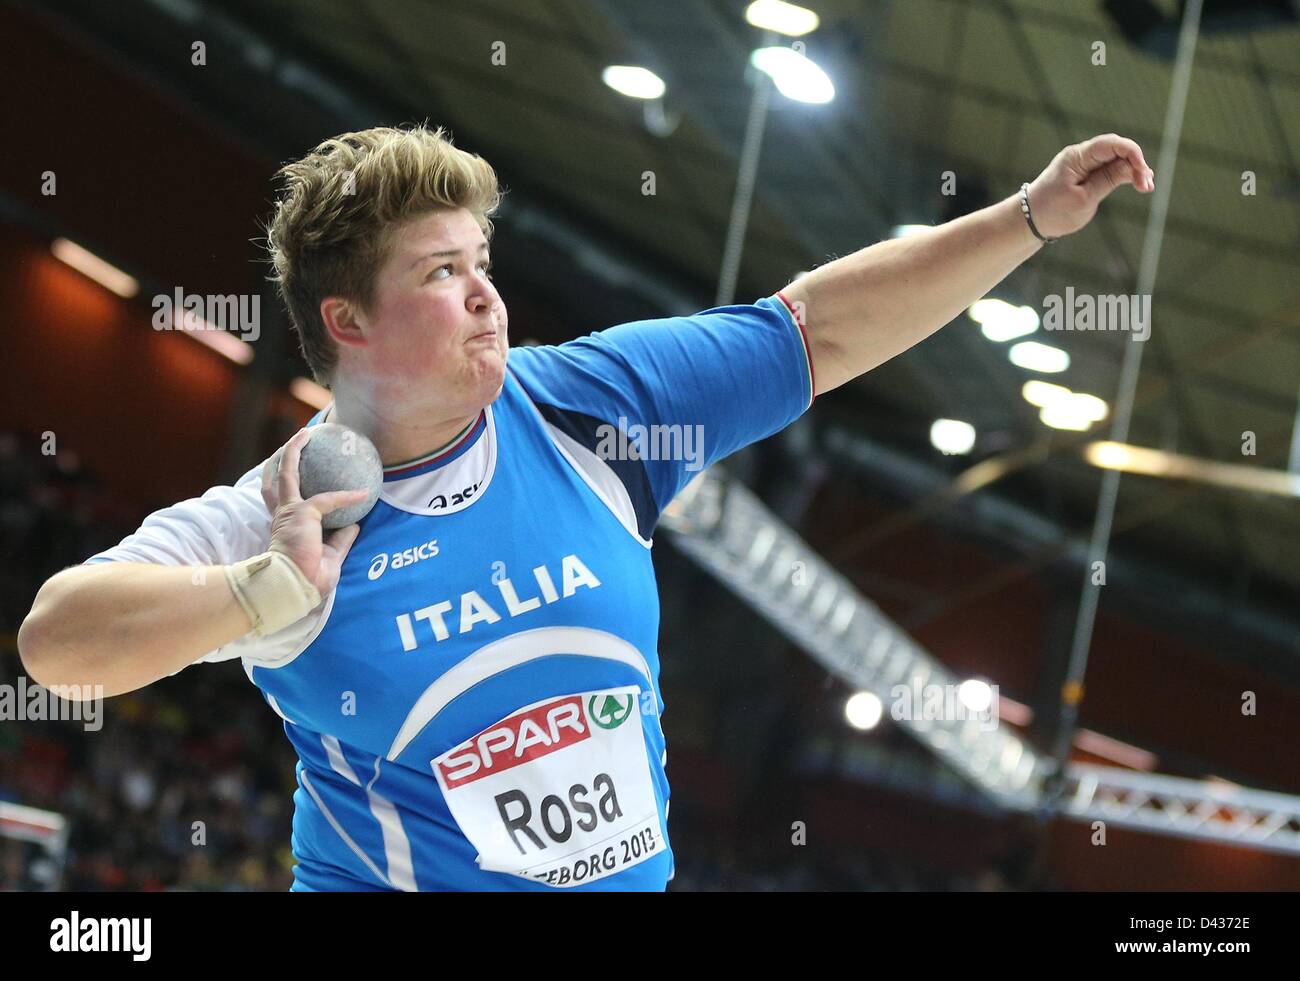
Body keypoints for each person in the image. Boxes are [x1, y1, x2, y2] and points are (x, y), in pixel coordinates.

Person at [18, 124, 1153, 891]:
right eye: (438, 273)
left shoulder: (592, 406)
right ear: (348, 323)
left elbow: (818, 331)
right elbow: (58, 643)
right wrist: (253, 595)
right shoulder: (289, 517)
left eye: (481, 259)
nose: (483, 293)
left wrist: (1027, 220)